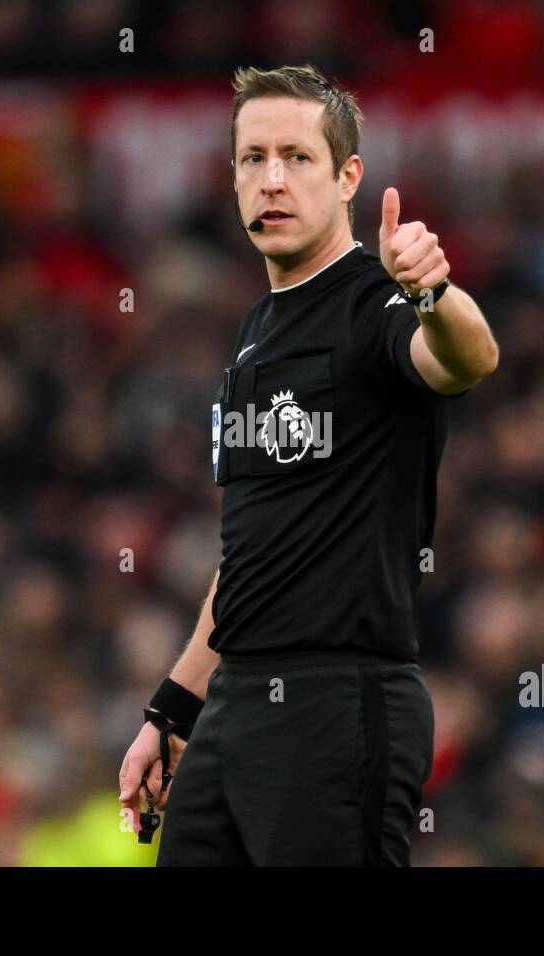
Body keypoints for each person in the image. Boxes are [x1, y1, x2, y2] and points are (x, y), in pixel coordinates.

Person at [118, 63, 498, 866]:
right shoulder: (258, 327)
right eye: (253, 158)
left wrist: (434, 289)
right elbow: (251, 554)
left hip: (337, 705)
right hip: (234, 708)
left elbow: (467, 359)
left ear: (348, 176)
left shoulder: (374, 301)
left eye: (297, 156)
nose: (272, 179)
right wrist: (174, 708)